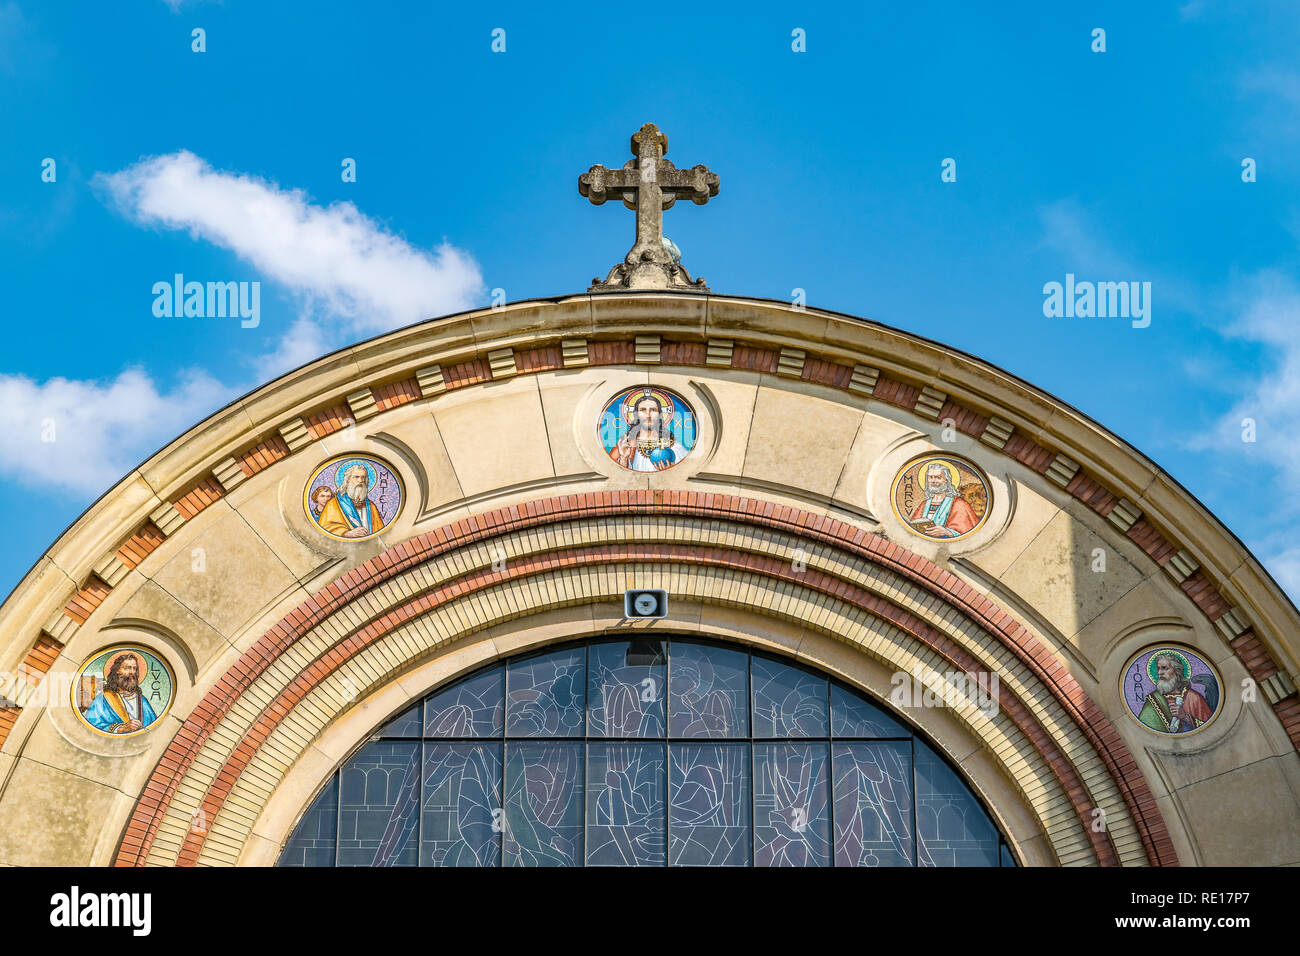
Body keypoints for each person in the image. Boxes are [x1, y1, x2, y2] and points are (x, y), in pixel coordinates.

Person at [610, 391, 688, 472]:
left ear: (660, 415)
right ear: (636, 415)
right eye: (643, 410)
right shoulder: (625, 447)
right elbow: (615, 478)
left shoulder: (674, 448)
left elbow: (686, 475)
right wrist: (624, 458)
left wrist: (670, 472)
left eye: (653, 410)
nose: (648, 415)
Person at [81, 652, 157, 734]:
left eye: (134, 668)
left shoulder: (142, 700)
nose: (132, 672)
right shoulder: (103, 698)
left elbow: (154, 729)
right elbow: (90, 726)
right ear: (117, 670)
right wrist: (121, 728)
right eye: (127, 668)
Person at [1138, 652, 1212, 733]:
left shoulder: (1193, 698)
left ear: (1177, 671)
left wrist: (1185, 717)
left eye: (1164, 668)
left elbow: (1210, 729)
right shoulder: (1154, 699)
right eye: (1158, 668)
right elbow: (1141, 730)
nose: (1160, 672)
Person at [909, 461, 979, 538]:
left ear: (946, 480)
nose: (933, 481)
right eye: (930, 477)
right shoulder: (924, 504)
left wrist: (946, 532)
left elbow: (970, 534)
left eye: (938, 477)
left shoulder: (959, 504)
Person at [317, 461, 385, 537]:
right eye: (356, 477)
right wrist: (347, 533)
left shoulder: (371, 506)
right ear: (348, 480)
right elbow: (324, 529)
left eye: (363, 477)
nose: (360, 480)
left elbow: (381, 532)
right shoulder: (334, 504)